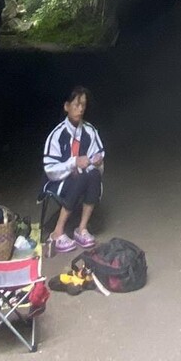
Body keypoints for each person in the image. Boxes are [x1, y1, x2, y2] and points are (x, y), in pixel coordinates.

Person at [42, 85, 105, 254]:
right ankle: (57, 232)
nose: (80, 109)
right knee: (82, 177)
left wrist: (97, 162)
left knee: (94, 175)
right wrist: (73, 162)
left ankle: (81, 229)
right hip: (58, 181)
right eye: (76, 105)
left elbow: (98, 154)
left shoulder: (90, 131)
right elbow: (50, 169)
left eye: (83, 105)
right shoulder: (57, 135)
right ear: (66, 106)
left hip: (82, 179)